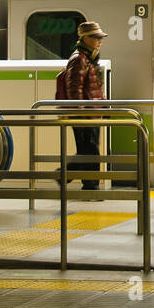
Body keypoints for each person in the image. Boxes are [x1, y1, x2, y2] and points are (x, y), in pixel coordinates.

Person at [56, 21, 108, 190]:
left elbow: (92, 86)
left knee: (88, 150)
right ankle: (89, 185)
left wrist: (103, 103)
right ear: (85, 38)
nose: (99, 41)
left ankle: (69, 176)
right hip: (84, 114)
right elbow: (74, 88)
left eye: (100, 37)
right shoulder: (79, 59)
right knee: (90, 151)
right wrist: (80, 114)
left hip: (91, 112)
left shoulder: (88, 57)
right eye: (96, 37)